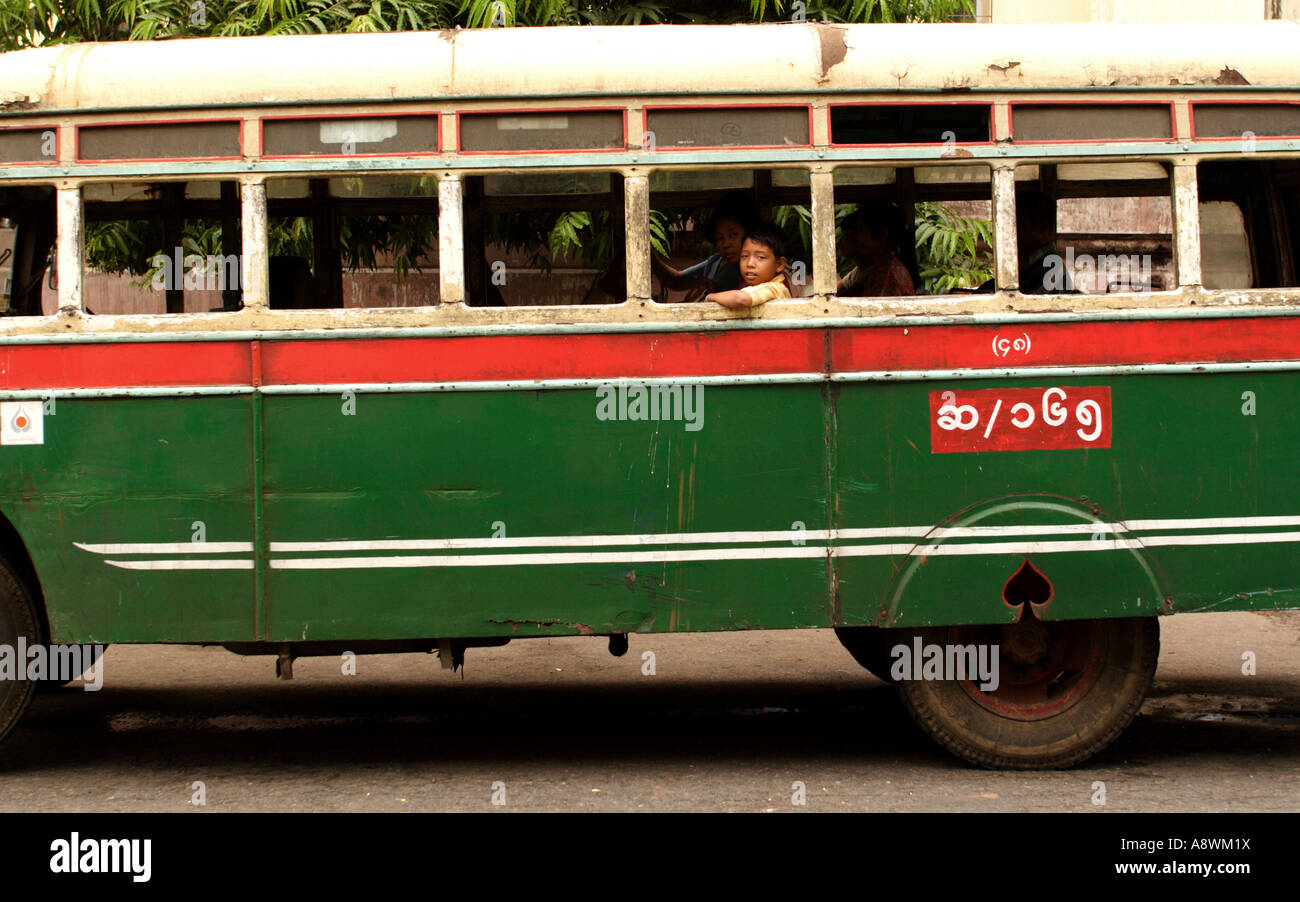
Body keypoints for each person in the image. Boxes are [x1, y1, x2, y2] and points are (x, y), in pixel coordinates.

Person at [653, 193, 756, 301]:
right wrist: (650, 257)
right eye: (720, 238)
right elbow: (678, 280)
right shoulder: (716, 261)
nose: (726, 244)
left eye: (733, 235)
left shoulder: (749, 269)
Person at [705, 224, 791, 309]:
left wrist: (710, 297)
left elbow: (740, 299)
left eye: (761, 257)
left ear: (779, 264)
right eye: (745, 256)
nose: (750, 264)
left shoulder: (775, 288)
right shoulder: (754, 286)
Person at [837, 203, 915, 297]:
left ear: (881, 236)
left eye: (862, 232)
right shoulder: (881, 268)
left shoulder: (889, 275)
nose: (859, 239)